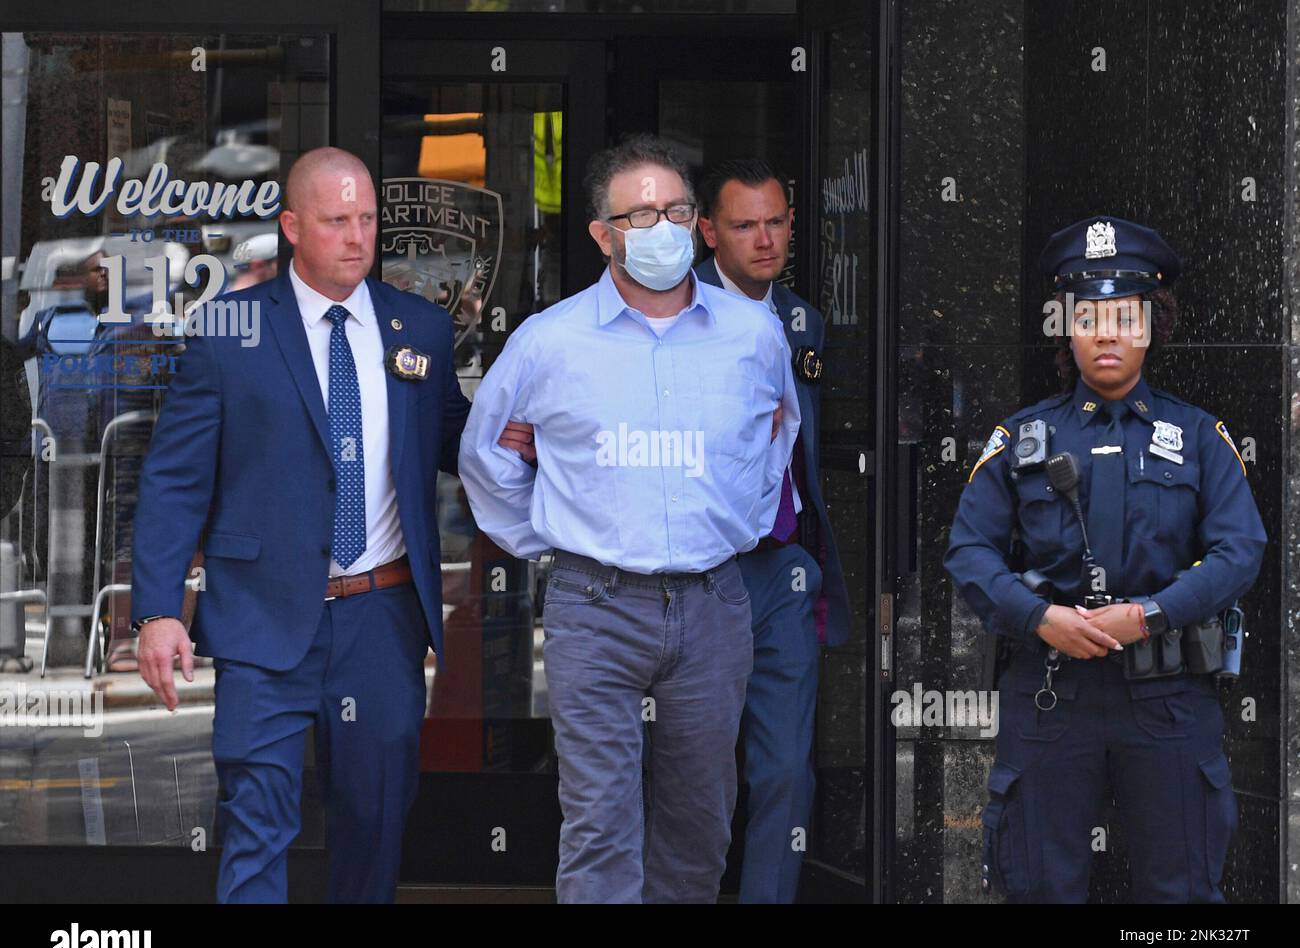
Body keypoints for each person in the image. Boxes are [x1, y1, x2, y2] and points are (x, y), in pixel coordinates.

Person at [458, 133, 799, 903]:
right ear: (602, 235)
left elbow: (779, 435)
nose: (664, 228)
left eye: (677, 209)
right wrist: (549, 535)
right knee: (600, 824)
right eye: (640, 216)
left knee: (700, 826)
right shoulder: (549, 342)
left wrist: (733, 521)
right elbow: (486, 455)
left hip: (715, 602)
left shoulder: (752, 334)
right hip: (596, 605)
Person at [130, 147, 475, 903]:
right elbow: (175, 478)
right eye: (336, 220)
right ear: (291, 226)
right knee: (257, 823)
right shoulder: (231, 329)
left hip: (381, 619)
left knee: (375, 824)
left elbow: (460, 443)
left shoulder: (417, 326)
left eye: (368, 219)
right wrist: (157, 609)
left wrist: (542, 436)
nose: (358, 236)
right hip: (261, 617)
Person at [944, 215, 1266, 903]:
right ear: (1067, 326)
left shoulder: (1200, 437)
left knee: (1180, 896)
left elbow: (1241, 549)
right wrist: (1038, 616)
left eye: (1126, 315)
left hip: (1169, 695)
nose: (1109, 332)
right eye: (1090, 316)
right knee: (1038, 885)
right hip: (1053, 689)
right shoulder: (1023, 436)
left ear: (1153, 324)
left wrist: (1152, 613)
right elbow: (969, 551)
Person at [694, 158, 849, 903]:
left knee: (785, 766)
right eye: (744, 224)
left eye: (776, 221)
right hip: (696, 575)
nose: (764, 238)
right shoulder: (670, 315)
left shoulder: (802, 320)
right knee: (692, 766)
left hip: (783, 570)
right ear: (707, 232)